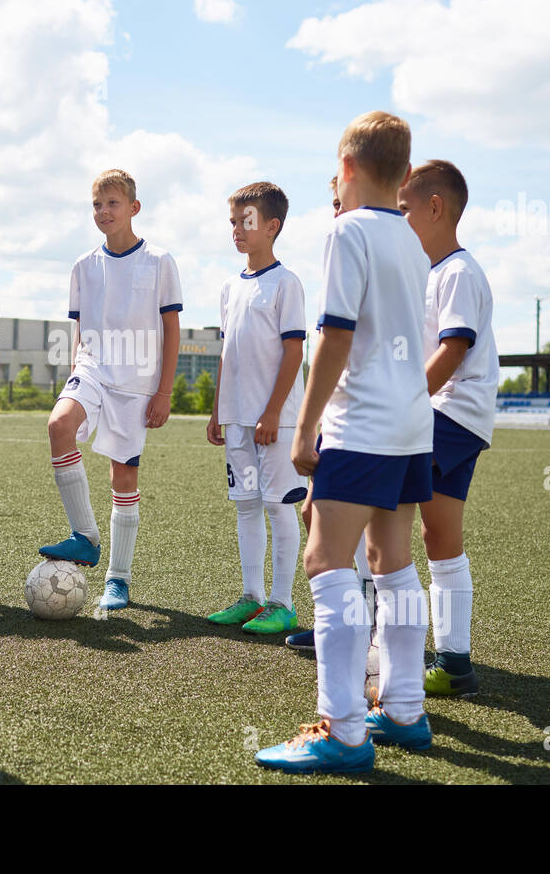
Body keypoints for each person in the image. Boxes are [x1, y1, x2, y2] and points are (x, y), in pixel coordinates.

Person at [255, 111, 433, 774]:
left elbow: (335, 333)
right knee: (394, 563)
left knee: (326, 561)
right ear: (407, 176)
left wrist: (307, 425)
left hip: (363, 426)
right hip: (414, 425)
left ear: (348, 170)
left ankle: (344, 729)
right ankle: (406, 711)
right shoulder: (413, 240)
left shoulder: (346, 230)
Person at [39, 169, 182, 611]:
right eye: (97, 205)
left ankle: (118, 579)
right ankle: (85, 536)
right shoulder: (83, 265)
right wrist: (74, 375)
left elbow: (171, 330)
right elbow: (79, 326)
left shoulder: (159, 261)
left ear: (134, 208)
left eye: (113, 203)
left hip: (137, 382)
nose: (104, 211)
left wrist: (164, 392)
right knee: (59, 424)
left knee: (124, 477)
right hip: (93, 367)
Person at [397, 160, 498, 697]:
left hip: (448, 414)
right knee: (440, 536)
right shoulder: (432, 273)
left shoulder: (457, 271)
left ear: (435, 208)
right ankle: (455, 662)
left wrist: (404, 403)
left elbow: (453, 349)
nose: (398, 217)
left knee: (384, 520)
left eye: (404, 208)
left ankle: (389, 649)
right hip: (457, 418)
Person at [205, 182, 307, 635]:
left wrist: (272, 411)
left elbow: (294, 354)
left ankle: (283, 603)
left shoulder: (286, 284)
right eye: (232, 221)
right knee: (246, 505)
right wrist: (217, 409)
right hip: (238, 418)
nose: (236, 230)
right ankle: (251, 596)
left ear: (272, 226)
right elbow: (228, 354)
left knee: (278, 506)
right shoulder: (230, 287)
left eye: (245, 221)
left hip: (276, 420)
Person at [285, 176, 375, 659]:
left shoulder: (353, 240)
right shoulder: (384, 243)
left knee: (343, 541)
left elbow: (336, 338)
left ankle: (357, 645)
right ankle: (362, 638)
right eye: (333, 205)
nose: (335, 214)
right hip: (354, 414)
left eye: (340, 202)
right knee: (316, 514)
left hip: (364, 416)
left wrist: (305, 426)